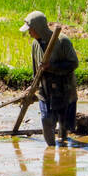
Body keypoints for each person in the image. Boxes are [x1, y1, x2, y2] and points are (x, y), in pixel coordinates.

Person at [20, 11, 79, 144]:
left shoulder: (62, 41)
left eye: (30, 30)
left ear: (38, 28)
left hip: (64, 90)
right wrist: (32, 86)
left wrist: (51, 67)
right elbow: (36, 70)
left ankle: (64, 152)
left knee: (64, 127)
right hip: (45, 90)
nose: (29, 33)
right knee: (46, 120)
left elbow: (73, 63)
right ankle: (50, 150)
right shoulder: (35, 44)